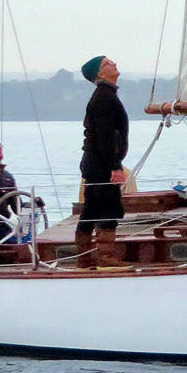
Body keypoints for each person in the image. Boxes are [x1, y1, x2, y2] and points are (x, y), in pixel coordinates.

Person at [77, 56, 129, 269]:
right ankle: (106, 259)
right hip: (101, 164)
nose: (114, 63)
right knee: (110, 207)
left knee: (91, 209)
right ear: (100, 74)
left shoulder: (105, 95)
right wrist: (115, 167)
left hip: (94, 163)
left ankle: (84, 259)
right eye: (108, 63)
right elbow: (105, 136)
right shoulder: (104, 98)